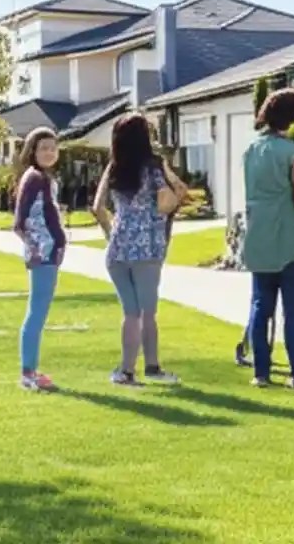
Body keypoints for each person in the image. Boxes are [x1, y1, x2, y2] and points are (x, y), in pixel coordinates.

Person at [91, 112, 188, 386]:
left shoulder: (113, 168)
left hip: (118, 250)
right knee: (148, 312)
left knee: (130, 313)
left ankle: (126, 370)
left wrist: (113, 234)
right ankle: (152, 366)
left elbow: (98, 208)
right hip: (147, 248)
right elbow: (179, 192)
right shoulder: (153, 168)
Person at [241, 88, 294, 389]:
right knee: (292, 310)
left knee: (261, 305)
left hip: (258, 233)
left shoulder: (250, 150)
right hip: (287, 235)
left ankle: (261, 372)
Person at [12, 126, 66, 392]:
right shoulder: (34, 179)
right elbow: (20, 222)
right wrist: (37, 247)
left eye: (53, 147)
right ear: (32, 150)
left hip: (48, 254)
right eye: (43, 147)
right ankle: (28, 373)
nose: (49, 152)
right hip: (42, 255)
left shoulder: (43, 179)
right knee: (36, 314)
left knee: (39, 313)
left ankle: (31, 369)